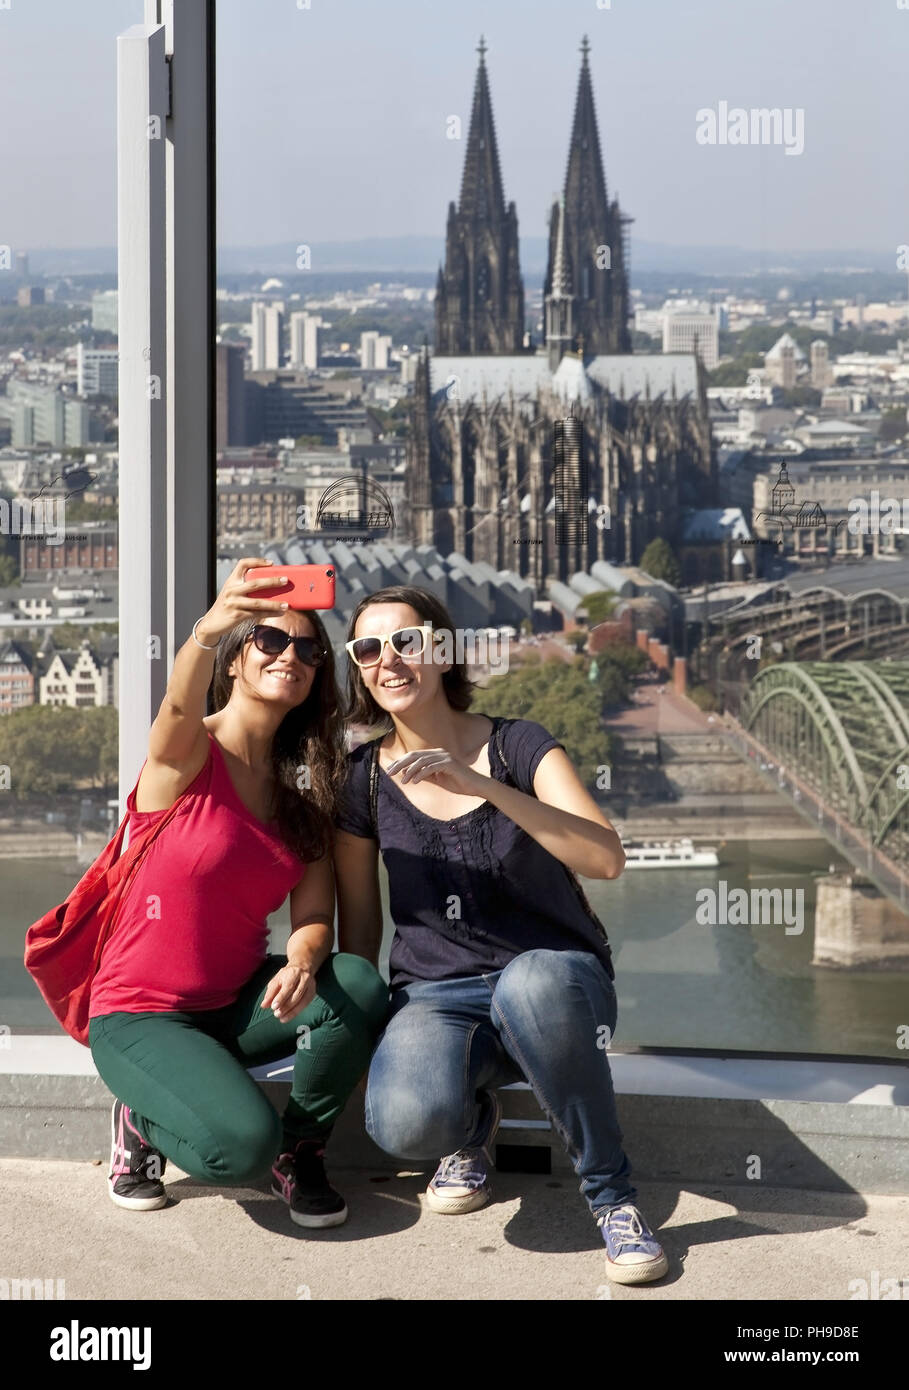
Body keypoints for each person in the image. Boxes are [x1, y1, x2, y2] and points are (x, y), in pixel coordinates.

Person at [333, 585, 668, 1285]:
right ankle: (470, 1120)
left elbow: (604, 858)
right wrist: (364, 1035)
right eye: (368, 649)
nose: (387, 660)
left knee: (531, 983)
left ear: (443, 651)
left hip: (556, 982)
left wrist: (482, 787)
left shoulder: (518, 744)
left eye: (406, 642)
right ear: (358, 669)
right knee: (402, 1125)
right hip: (436, 997)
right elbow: (359, 927)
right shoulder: (360, 781)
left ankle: (612, 1200)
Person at [88, 558, 388, 1227]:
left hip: (231, 1007)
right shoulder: (186, 757)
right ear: (233, 661)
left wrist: (307, 959)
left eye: (309, 648)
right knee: (237, 1149)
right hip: (140, 1015)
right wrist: (209, 628)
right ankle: (141, 1123)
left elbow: (313, 918)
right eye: (271, 640)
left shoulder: (297, 801)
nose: (292, 655)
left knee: (358, 986)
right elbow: (172, 710)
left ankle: (300, 1150)